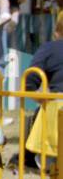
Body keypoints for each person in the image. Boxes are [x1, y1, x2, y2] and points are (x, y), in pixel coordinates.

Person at [23, 12, 63, 168]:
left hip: (56, 110)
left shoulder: (50, 48)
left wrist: (42, 98)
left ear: (56, 32)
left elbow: (30, 80)